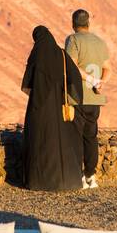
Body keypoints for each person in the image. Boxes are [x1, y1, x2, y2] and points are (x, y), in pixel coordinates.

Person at [19, 26, 85, 191]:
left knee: (39, 139)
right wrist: (69, 95)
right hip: (59, 105)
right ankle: (64, 180)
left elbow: (27, 83)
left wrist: (38, 93)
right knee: (61, 140)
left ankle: (38, 181)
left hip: (39, 107)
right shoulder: (61, 54)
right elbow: (75, 76)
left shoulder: (36, 54)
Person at [65, 8, 111, 189]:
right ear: (88, 24)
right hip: (95, 99)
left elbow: (71, 66)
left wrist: (91, 80)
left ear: (73, 24)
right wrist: (100, 82)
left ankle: (77, 177)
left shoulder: (73, 40)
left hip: (78, 97)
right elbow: (108, 68)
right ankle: (90, 176)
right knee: (91, 138)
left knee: (75, 137)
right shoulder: (100, 42)